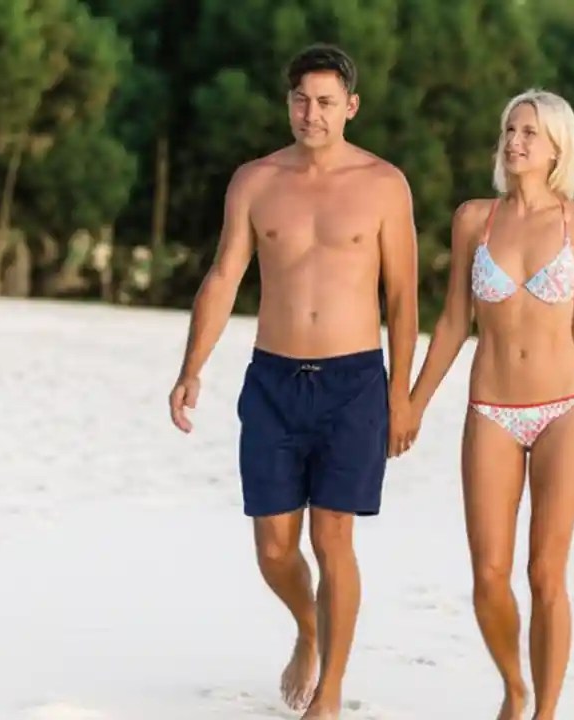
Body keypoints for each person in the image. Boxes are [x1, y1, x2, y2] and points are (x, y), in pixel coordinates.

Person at [167, 43, 419, 719]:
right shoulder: (255, 180)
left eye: (327, 102)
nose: (313, 113)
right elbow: (224, 277)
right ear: (289, 103)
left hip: (355, 382)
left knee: (332, 536)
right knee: (274, 545)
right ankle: (309, 629)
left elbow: (403, 296)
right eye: (302, 100)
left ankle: (329, 693)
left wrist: (403, 396)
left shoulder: (384, 184)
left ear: (352, 107)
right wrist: (193, 367)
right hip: (274, 380)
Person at [406, 89, 574, 720]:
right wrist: (413, 402)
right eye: (510, 129)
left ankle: (543, 712)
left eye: (530, 132)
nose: (515, 141)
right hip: (490, 409)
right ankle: (513, 685)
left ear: (557, 149)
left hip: (565, 409)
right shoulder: (475, 219)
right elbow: (450, 323)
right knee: (489, 576)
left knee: (546, 574)